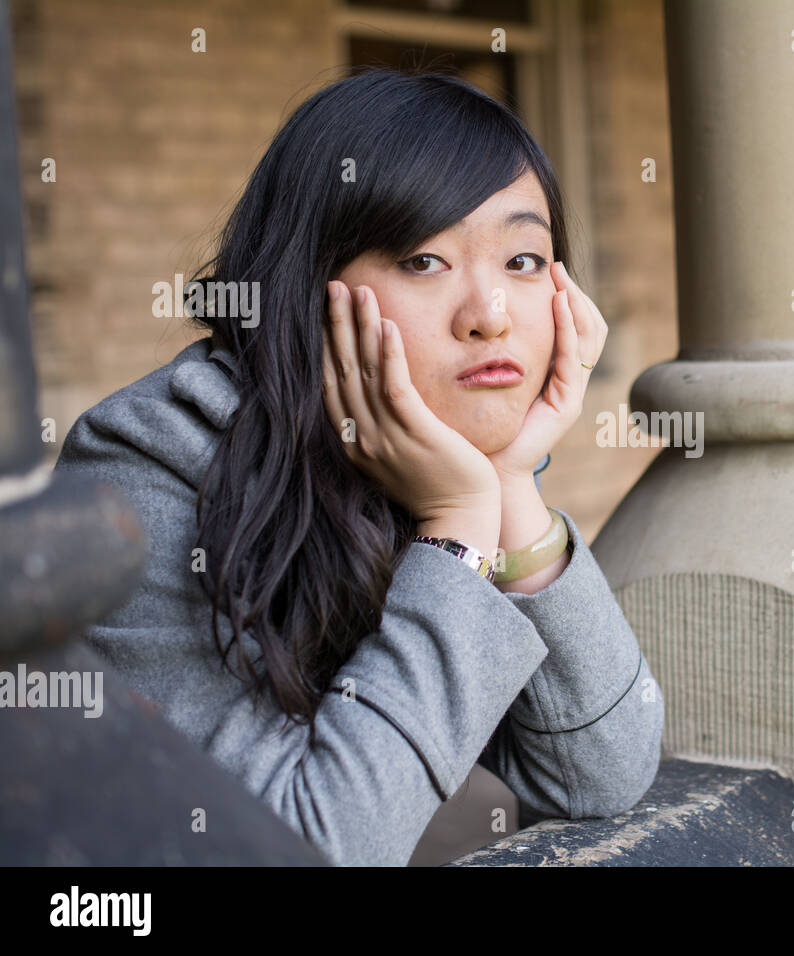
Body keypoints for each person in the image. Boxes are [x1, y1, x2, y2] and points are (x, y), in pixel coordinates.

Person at [53, 68, 664, 866]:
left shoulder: (436, 453)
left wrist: (513, 487)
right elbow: (303, 846)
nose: (490, 315)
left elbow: (601, 774)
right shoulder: (147, 464)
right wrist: (455, 535)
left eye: (523, 260)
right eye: (423, 260)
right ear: (307, 282)